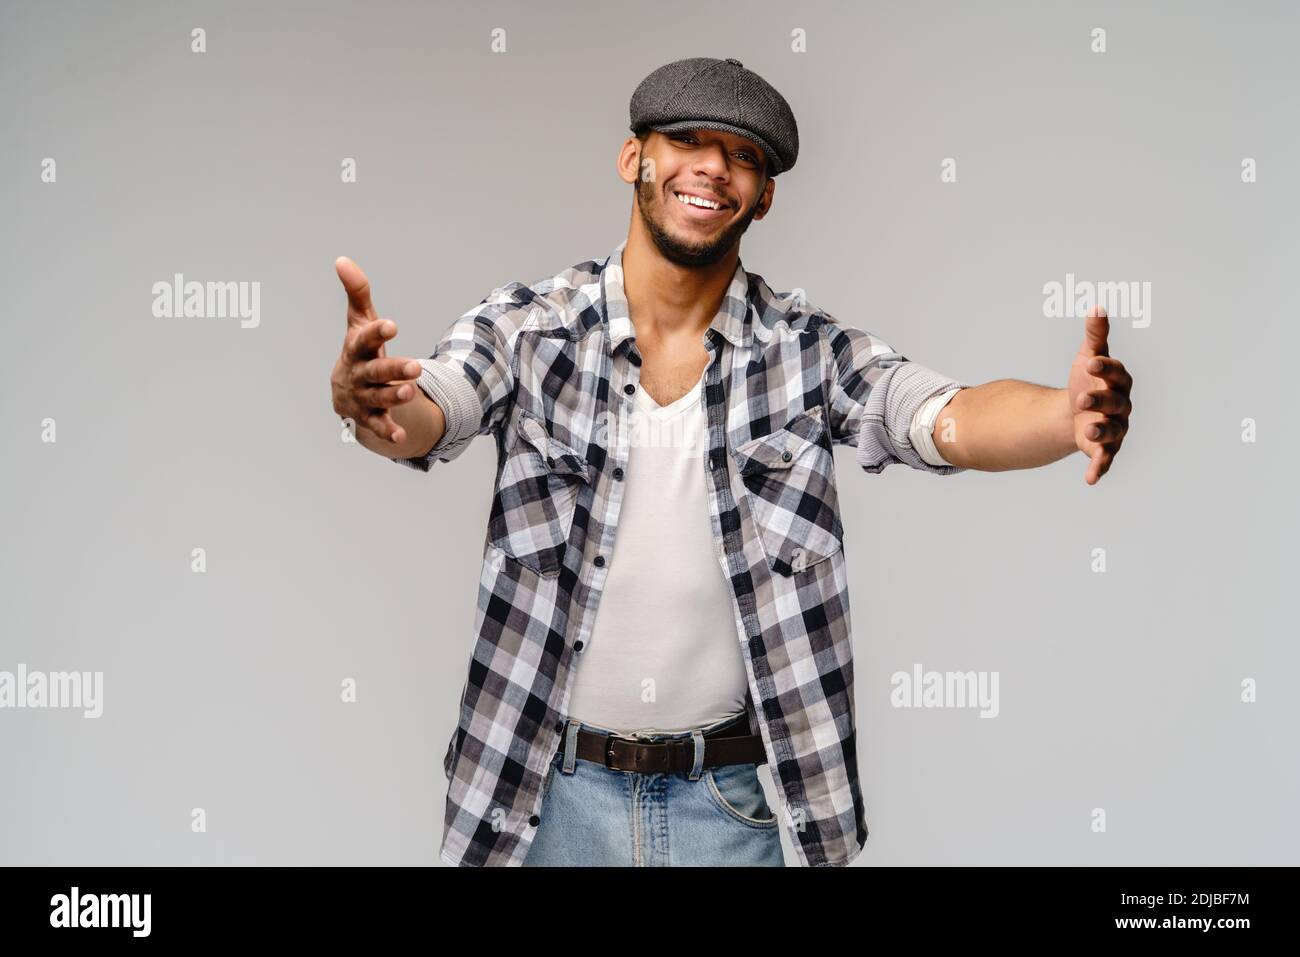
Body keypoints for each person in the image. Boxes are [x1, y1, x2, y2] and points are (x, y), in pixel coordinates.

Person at [327, 57, 1133, 867]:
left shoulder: (807, 350)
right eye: (685, 139)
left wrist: (1062, 418)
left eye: (742, 154)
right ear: (633, 157)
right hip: (545, 802)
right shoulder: (529, 328)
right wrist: (374, 400)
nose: (711, 165)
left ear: (764, 194)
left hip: (731, 809)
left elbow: (938, 415)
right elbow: (434, 406)